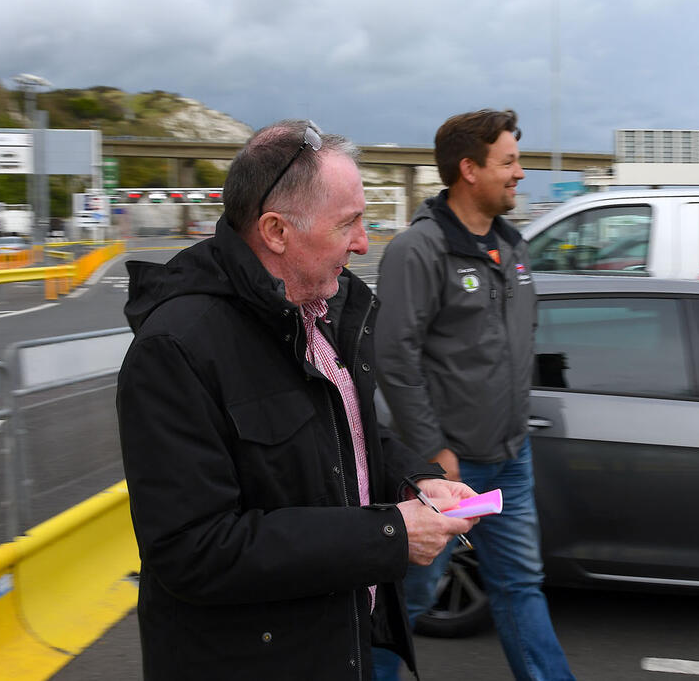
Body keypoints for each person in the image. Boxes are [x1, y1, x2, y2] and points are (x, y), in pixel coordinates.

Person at [116, 119, 477, 680]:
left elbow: (347, 431)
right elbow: (195, 551)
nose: (363, 242)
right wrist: (389, 534)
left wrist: (414, 481)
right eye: (348, 223)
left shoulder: (324, 309)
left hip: (335, 646)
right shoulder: (177, 347)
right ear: (276, 231)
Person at [372, 109, 575, 680]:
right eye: (508, 162)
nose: (520, 174)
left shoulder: (512, 247)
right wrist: (432, 451)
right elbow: (394, 357)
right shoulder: (419, 250)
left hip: (510, 458)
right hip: (447, 470)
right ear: (469, 169)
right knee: (411, 596)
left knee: (521, 585)